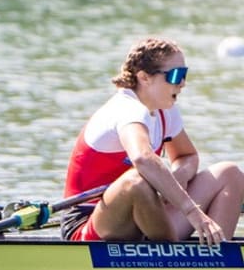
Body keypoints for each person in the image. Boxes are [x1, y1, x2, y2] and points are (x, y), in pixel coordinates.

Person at [61, 36, 243, 244]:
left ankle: (218, 256)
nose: (182, 83)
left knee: (229, 173)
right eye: (175, 76)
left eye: (184, 74)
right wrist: (193, 211)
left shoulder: (165, 110)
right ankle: (169, 258)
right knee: (136, 182)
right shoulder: (127, 109)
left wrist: (177, 176)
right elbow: (143, 159)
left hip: (147, 218)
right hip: (90, 223)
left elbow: (187, 156)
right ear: (144, 77)